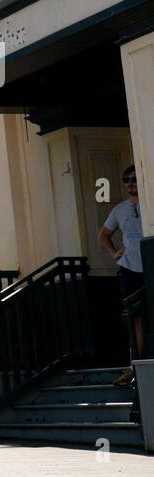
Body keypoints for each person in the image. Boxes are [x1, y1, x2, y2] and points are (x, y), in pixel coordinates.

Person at [101, 165, 144, 385]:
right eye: (126, 180)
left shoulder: (149, 203)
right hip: (130, 268)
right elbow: (104, 234)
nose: (130, 183)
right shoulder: (119, 209)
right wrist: (114, 254)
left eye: (134, 179)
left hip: (149, 265)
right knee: (133, 317)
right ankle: (135, 364)